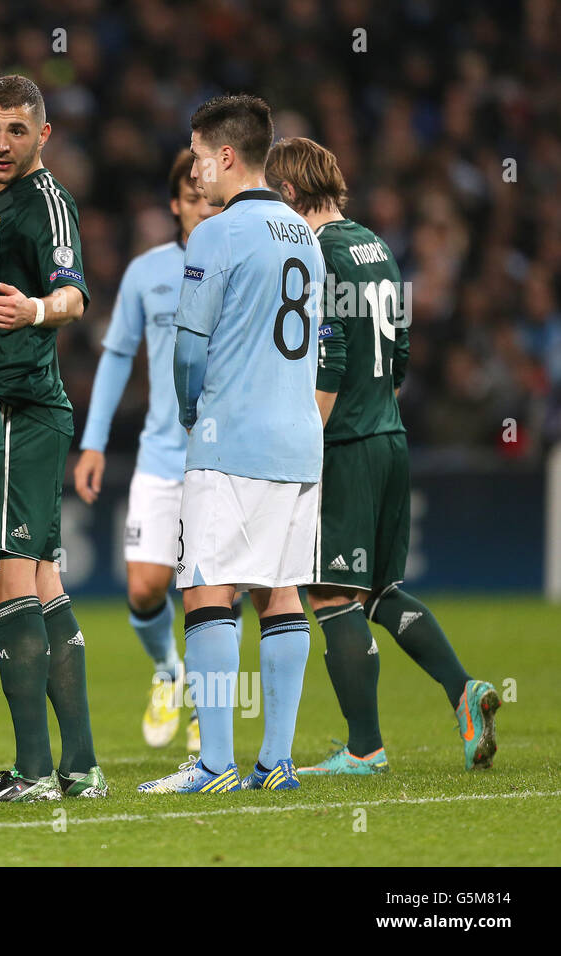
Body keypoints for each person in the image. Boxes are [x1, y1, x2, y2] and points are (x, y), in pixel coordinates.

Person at [265, 136, 501, 774]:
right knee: (378, 589)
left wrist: (302, 440)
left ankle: (365, 747)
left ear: (289, 194)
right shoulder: (381, 250)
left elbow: (330, 354)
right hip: (391, 437)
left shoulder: (313, 255)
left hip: (343, 443)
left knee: (329, 591)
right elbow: (399, 355)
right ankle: (463, 690)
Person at [138, 94, 324, 795]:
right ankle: (276, 761)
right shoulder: (303, 233)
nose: (193, 172)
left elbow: (190, 347)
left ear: (223, 156)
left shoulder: (215, 233)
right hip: (299, 439)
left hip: (232, 435)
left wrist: (192, 411)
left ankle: (214, 763)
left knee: (205, 588)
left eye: (196, 155)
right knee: (282, 592)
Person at [74, 149, 233, 754]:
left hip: (225, 459)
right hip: (162, 456)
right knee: (145, 588)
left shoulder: (241, 267)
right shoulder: (148, 273)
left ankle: (206, 715)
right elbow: (116, 356)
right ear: (175, 204)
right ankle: (171, 672)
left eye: (211, 199)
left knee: (216, 591)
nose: (201, 209)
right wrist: (92, 441)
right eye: (192, 199)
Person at [0, 75, 105, 800]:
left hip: (23, 410)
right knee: (42, 583)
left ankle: (32, 771)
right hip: (4, 410)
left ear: (43, 135)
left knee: (8, 578)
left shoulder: (47, 201)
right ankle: (79, 767)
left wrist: (32, 311)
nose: (2, 143)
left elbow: (74, 295)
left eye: (17, 131)